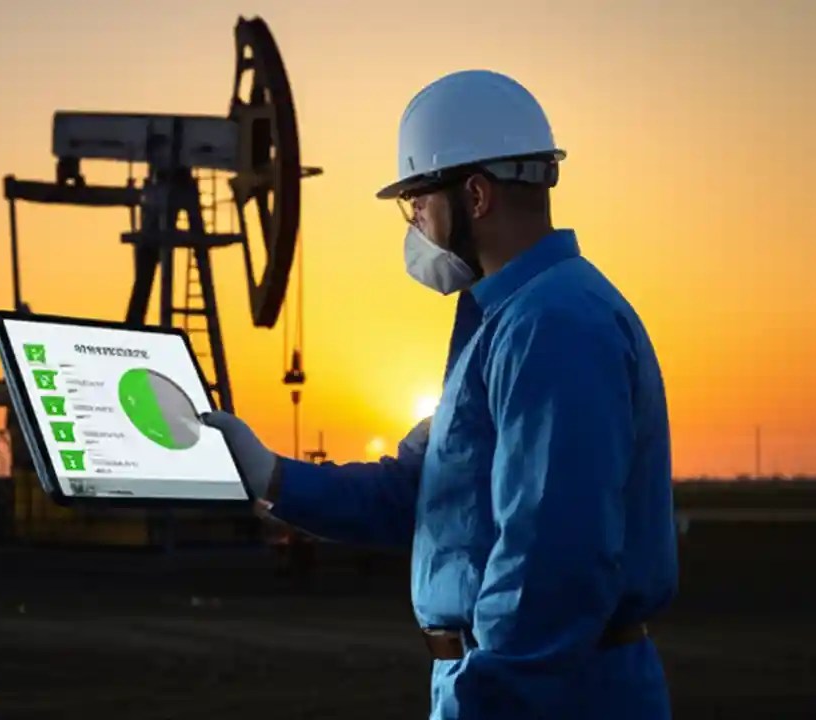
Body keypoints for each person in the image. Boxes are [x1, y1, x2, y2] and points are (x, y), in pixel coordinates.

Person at [203, 70, 678, 719]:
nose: (415, 225)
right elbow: (418, 495)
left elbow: (554, 564)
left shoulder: (553, 328)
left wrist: (485, 701)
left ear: (476, 195)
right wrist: (271, 475)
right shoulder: (508, 324)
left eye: (418, 203)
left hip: (551, 697)